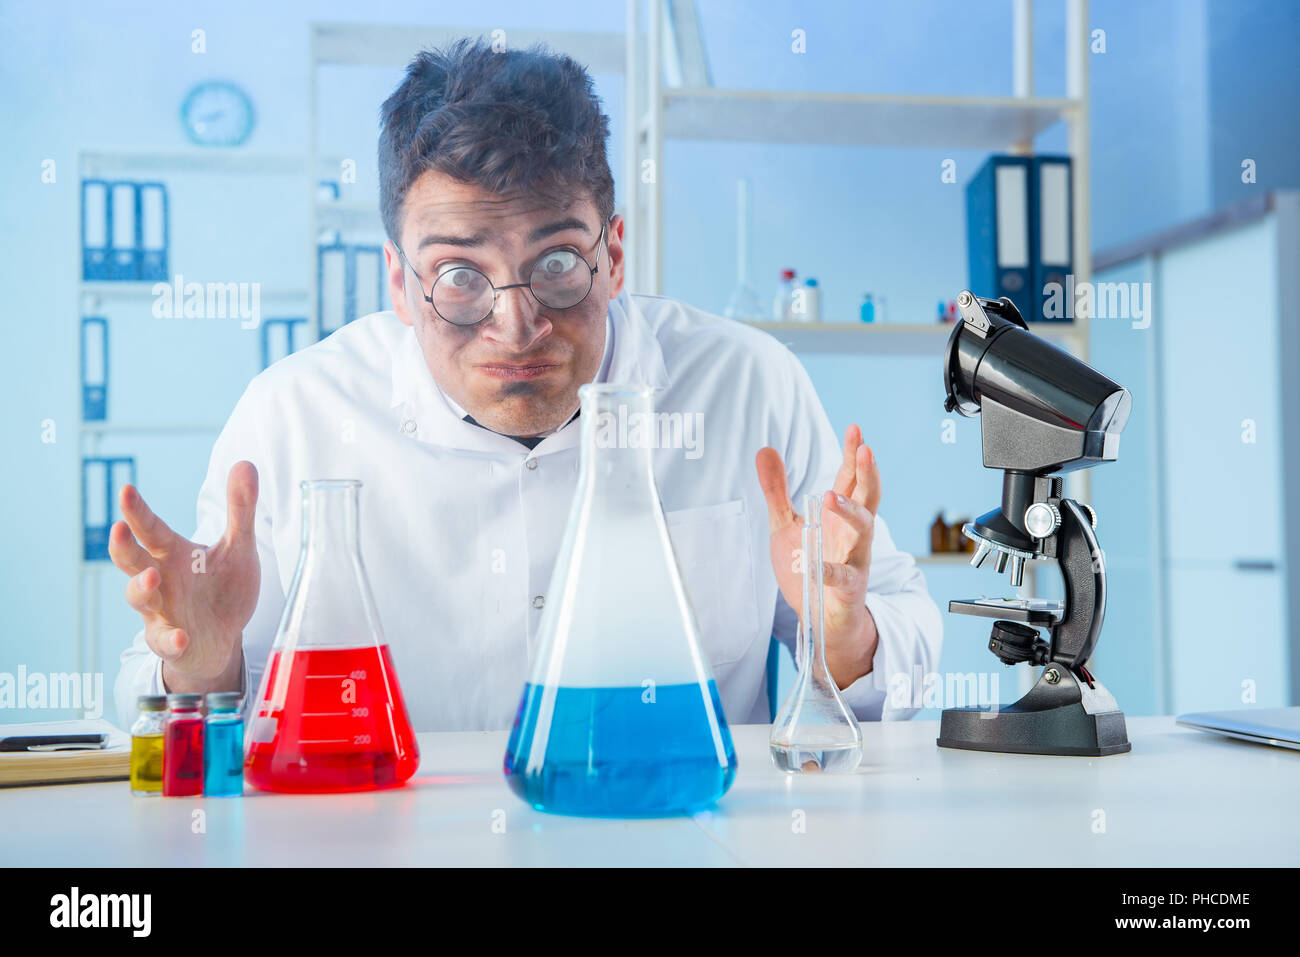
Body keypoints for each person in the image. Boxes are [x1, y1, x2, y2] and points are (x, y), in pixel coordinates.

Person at [112, 38, 941, 733]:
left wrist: (843, 631)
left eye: (555, 265)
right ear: (398, 283)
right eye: (459, 275)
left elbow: (908, 669)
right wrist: (205, 661)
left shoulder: (745, 386)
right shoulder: (294, 417)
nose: (515, 325)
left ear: (613, 254)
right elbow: (152, 715)